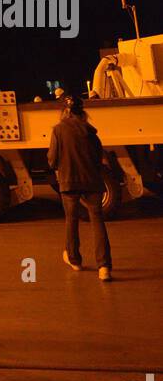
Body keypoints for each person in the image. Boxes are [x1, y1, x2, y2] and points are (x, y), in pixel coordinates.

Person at [47, 92, 112, 280]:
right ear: (82, 112)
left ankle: (75, 260)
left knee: (71, 219)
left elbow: (52, 160)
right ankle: (104, 267)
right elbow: (99, 158)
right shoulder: (91, 133)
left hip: (69, 181)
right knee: (97, 221)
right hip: (92, 181)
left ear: (65, 112)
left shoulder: (58, 130)